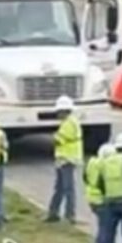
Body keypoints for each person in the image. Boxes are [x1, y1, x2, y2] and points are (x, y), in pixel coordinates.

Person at [45, 95, 83, 224]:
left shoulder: (68, 123)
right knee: (61, 188)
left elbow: (58, 140)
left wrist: (54, 136)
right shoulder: (71, 121)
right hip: (65, 159)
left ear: (64, 111)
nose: (57, 114)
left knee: (67, 188)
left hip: (67, 159)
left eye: (58, 111)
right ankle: (53, 213)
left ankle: (69, 215)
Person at [86, 142, 114, 243]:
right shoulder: (104, 166)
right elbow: (104, 184)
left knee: (103, 228)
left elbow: (85, 178)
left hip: (92, 199)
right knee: (105, 230)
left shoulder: (92, 163)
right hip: (101, 201)